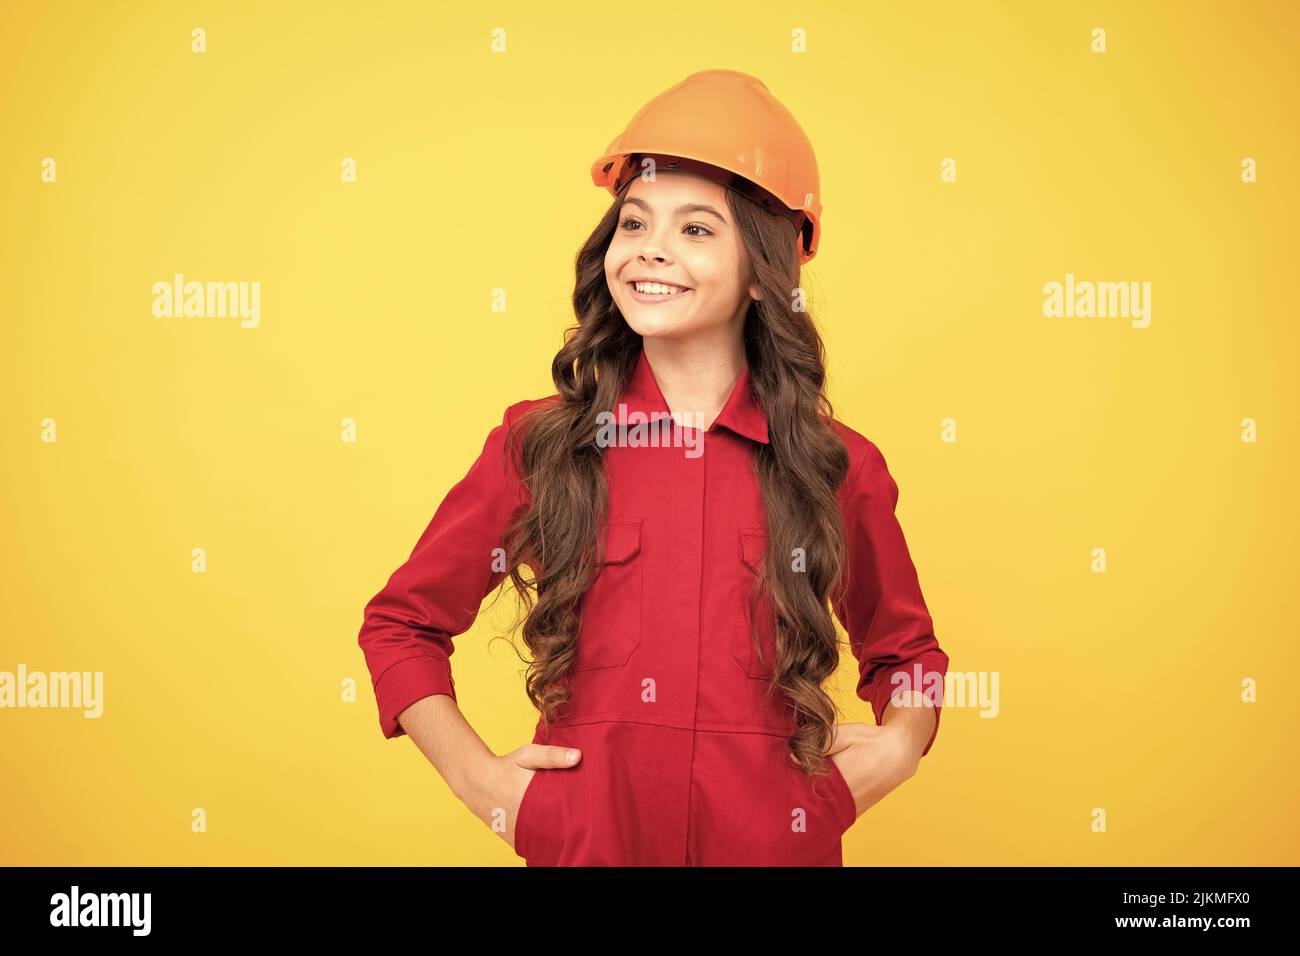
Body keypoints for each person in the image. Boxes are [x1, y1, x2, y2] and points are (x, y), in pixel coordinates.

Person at [357, 69, 950, 866]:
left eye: (697, 230)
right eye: (634, 223)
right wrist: (485, 787)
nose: (652, 252)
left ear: (762, 267)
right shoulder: (540, 445)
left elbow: (909, 655)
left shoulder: (837, 467)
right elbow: (400, 625)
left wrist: (899, 747)